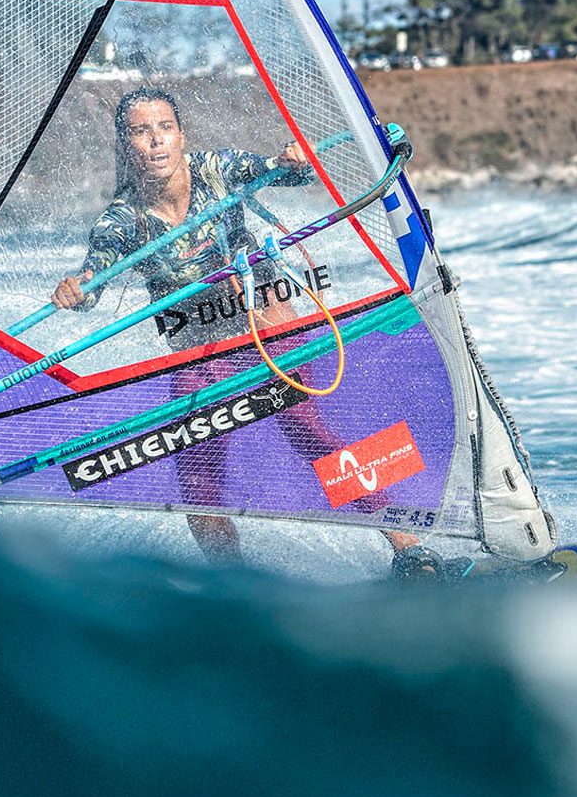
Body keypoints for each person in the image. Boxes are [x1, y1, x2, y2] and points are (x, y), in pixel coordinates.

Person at [52, 87, 429, 568]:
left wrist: (293, 161)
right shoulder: (122, 219)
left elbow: (284, 173)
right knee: (195, 472)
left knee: (306, 427)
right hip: (198, 346)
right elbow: (94, 276)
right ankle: (230, 582)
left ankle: (408, 547)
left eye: (165, 127)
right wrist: (78, 289)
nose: (156, 141)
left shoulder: (216, 168)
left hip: (263, 322)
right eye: (141, 132)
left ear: (181, 135)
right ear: (126, 146)